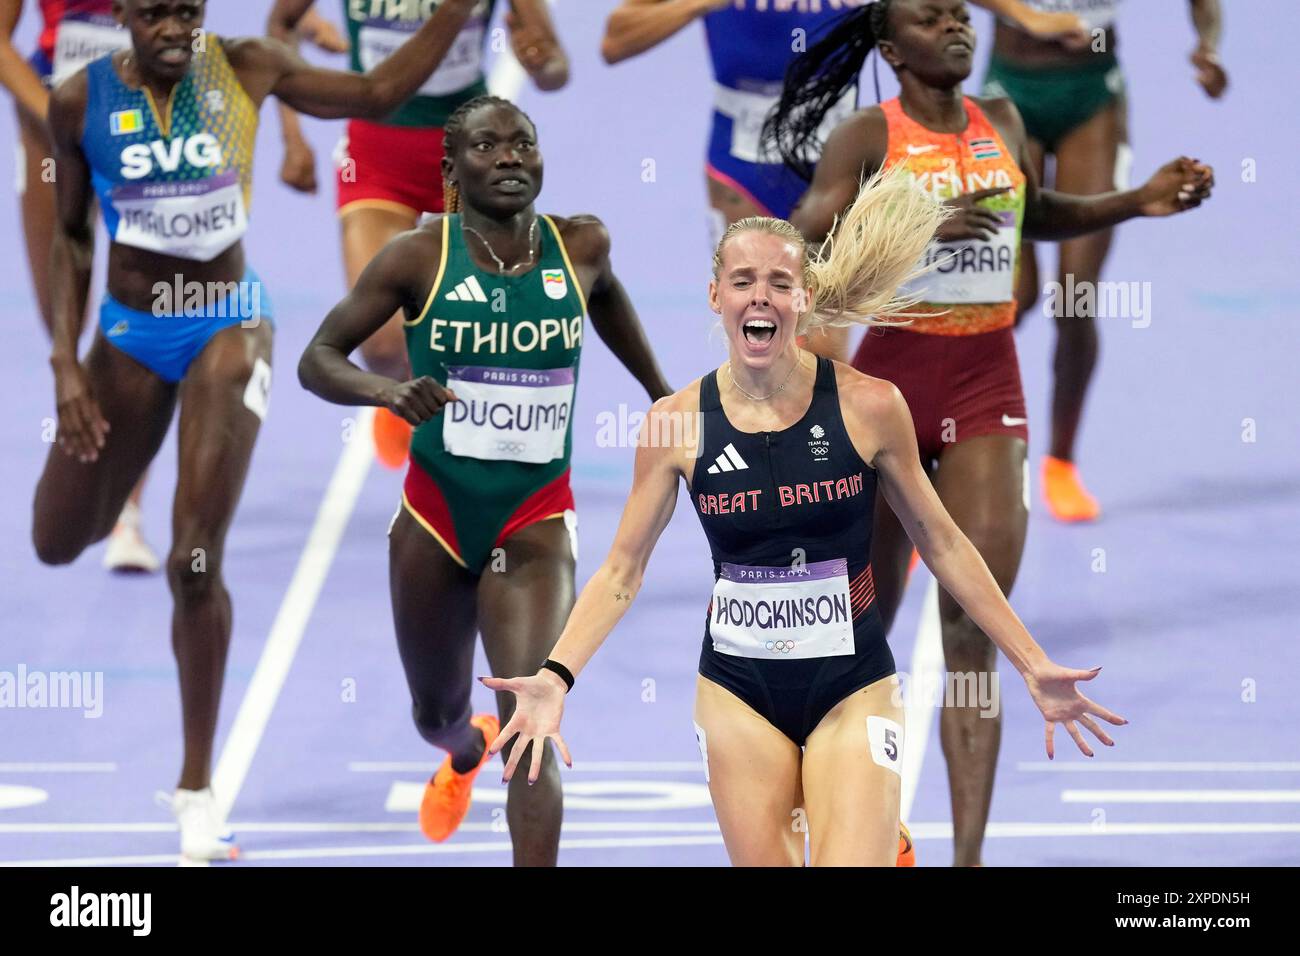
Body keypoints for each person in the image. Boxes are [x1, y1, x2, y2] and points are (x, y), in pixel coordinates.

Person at [480, 167, 1127, 867]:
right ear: (716, 296)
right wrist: (555, 675)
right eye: (743, 281)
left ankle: (874, 828)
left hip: (851, 685)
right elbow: (619, 572)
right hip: (737, 692)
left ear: (804, 298)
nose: (761, 296)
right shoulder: (675, 425)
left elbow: (940, 543)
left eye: (780, 283)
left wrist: (1031, 663)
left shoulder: (869, 405)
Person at [31, 0, 501, 862]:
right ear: (127, 14)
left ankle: (197, 792)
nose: (177, 28)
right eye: (158, 14)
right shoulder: (77, 102)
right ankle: (107, 489)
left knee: (192, 558)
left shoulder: (246, 68)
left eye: (190, 11)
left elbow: (381, 85)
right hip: (131, 333)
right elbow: (68, 236)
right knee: (58, 538)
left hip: (227, 325)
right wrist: (65, 362)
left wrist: (462, 10)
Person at [763, 0, 1212, 865]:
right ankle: (837, 814)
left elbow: (1032, 212)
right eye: (931, 21)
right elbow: (788, 255)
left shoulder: (999, 117)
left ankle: (966, 860)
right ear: (893, 50)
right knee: (860, 626)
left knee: (974, 630)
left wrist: (1137, 201)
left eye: (961, 17)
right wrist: (906, 225)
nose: (957, 28)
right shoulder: (867, 136)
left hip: (985, 379)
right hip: (884, 388)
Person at [298, 95, 671, 866]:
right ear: (451, 171)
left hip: (534, 521)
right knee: (435, 710)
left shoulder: (582, 244)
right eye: (487, 146)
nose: (508, 157)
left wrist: (660, 392)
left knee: (533, 721)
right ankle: (462, 751)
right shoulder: (417, 257)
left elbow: (605, 300)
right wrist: (387, 393)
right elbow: (318, 358)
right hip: (434, 520)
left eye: (523, 145)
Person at [269, 0, 568, 469]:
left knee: (492, 332)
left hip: (472, 156)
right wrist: (291, 136)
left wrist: (541, 63)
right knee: (382, 346)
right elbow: (281, 23)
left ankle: (474, 462)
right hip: (376, 155)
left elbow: (555, 67)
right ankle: (411, 396)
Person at [982, 0, 1227, 521]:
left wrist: (1207, 43)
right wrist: (1031, 17)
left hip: (1092, 99)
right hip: (1008, 96)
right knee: (1008, 297)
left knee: (1075, 298)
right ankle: (944, 459)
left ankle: (1061, 463)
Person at [600, 0, 1086, 238]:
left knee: (826, 344)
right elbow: (615, 41)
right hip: (740, 168)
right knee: (754, 332)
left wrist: (1031, 17)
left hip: (842, 160)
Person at [1, 0, 161, 571]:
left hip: (141, 118)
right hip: (51, 127)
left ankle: (126, 513)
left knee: (144, 311)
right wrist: (62, 118)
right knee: (61, 316)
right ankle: (93, 457)